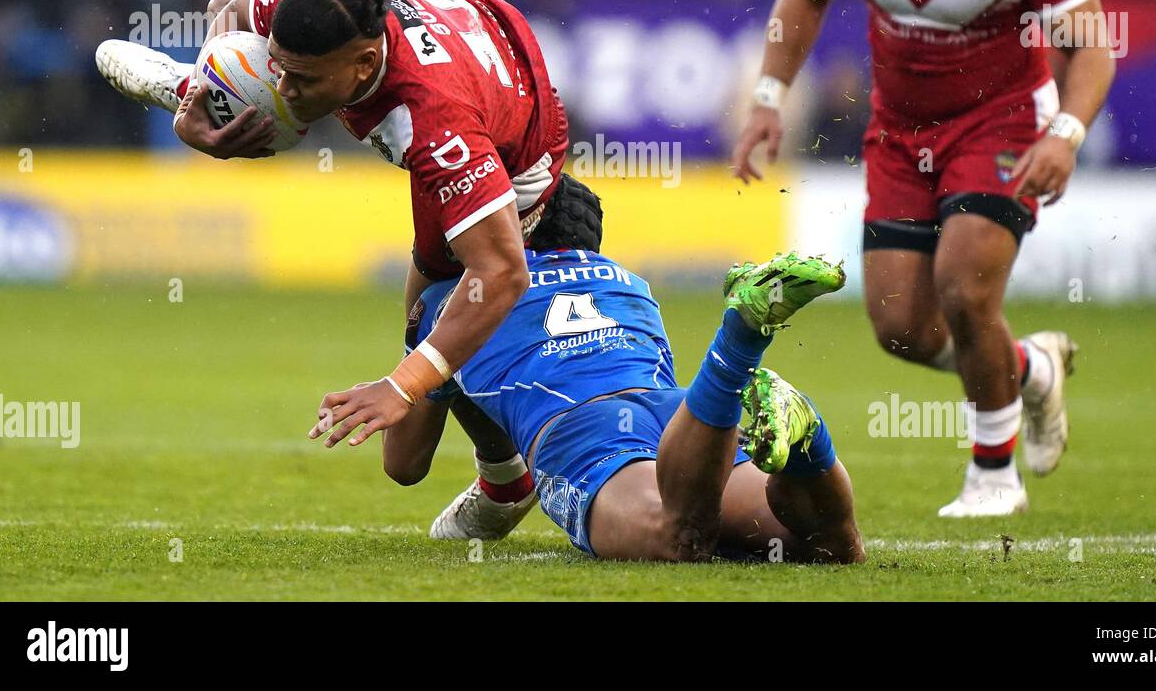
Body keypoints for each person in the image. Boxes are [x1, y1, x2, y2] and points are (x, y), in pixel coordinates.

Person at [731, 0, 1116, 517]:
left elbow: (1092, 45)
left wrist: (1065, 134)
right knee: (900, 326)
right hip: (902, 131)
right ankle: (1031, 367)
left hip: (1001, 121)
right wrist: (770, 96)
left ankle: (992, 473)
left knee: (965, 287)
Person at [96, 0, 572, 535]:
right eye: (277, 70)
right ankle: (506, 474)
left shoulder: (435, 121)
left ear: (365, 63)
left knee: (409, 446)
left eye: (303, 81)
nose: (283, 91)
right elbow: (227, 7)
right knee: (421, 388)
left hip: (516, 148)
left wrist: (401, 387)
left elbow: (501, 273)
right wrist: (200, 92)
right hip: (468, 50)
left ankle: (508, 478)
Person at [309, 212, 864, 562]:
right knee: (827, 549)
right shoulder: (628, 281)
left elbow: (405, 465)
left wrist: (421, 355)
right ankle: (804, 432)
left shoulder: (457, 303)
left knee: (679, 537)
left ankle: (741, 339)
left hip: (584, 433)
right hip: (675, 416)